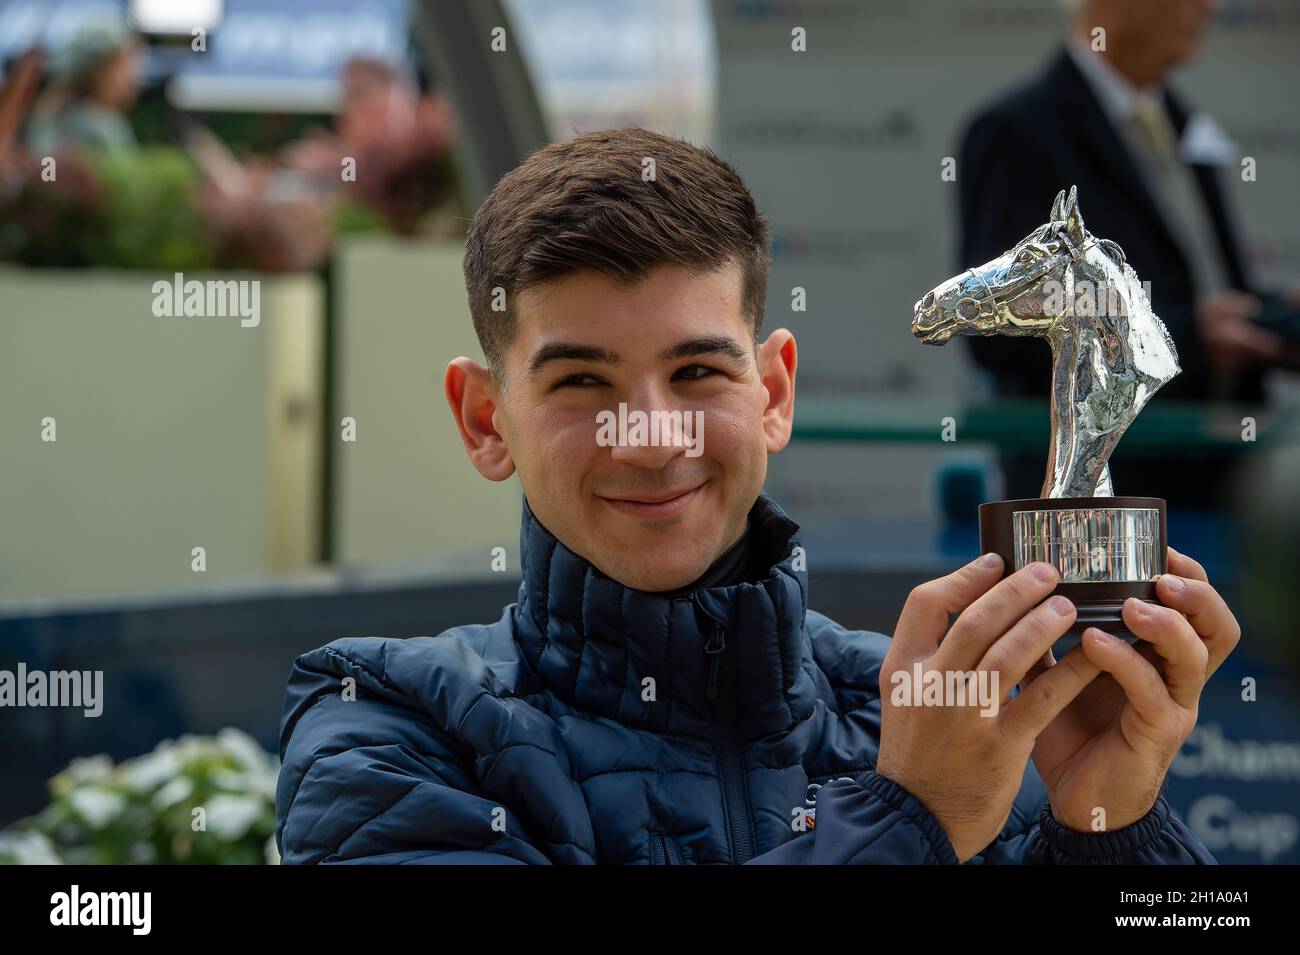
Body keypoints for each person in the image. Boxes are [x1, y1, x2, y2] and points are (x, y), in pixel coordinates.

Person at [274, 128, 1240, 864]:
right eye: (581, 382)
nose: (651, 438)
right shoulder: (384, 723)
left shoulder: (943, 709)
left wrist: (1107, 825)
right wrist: (909, 821)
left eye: (697, 372)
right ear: (486, 419)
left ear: (772, 393)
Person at [956, 0, 1298, 506]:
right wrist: (1188, 338)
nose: (1210, 6)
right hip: (1095, 511)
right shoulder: (1016, 132)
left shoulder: (1180, 121)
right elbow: (994, 325)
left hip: (1215, 486)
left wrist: (1271, 316)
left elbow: (1210, 292)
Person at [25, 21, 143, 156]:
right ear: (99, 72)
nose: (135, 77)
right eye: (126, 67)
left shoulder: (50, 115)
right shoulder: (100, 126)